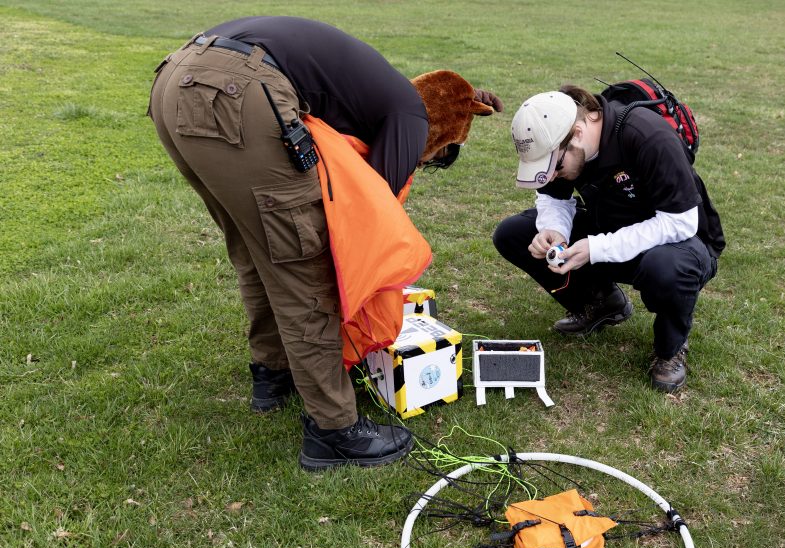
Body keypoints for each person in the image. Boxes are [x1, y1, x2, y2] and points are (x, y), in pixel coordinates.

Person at [148, 16, 503, 470]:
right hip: (237, 89)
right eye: (433, 158)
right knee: (304, 264)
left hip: (176, 78)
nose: (423, 162)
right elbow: (372, 213)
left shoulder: (378, 89)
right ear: (439, 135)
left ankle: (273, 375)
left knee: (257, 249)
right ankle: (334, 431)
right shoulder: (412, 116)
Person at [493, 85, 724, 391]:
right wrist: (554, 232)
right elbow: (552, 199)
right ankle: (602, 303)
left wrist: (597, 248)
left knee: (665, 268)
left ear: (577, 133)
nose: (553, 175)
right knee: (513, 233)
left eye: (555, 166)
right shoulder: (565, 144)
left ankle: (671, 348)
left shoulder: (647, 136)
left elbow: (680, 222)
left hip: (680, 242)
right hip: (611, 231)